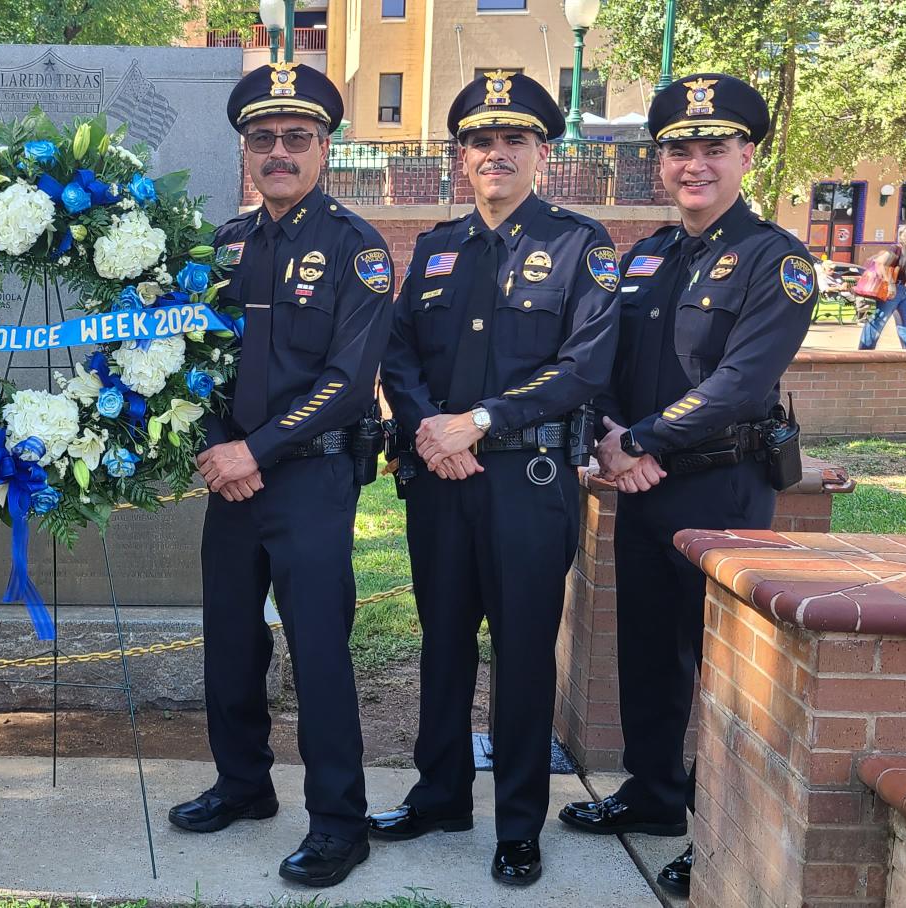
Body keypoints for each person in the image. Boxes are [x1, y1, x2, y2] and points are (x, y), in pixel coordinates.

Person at [555, 73, 817, 899]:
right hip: (642, 489)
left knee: (726, 675)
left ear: (747, 154)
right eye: (678, 150)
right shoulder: (648, 256)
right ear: (659, 163)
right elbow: (598, 362)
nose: (694, 164)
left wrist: (640, 438)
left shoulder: (777, 259)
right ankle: (656, 795)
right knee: (648, 655)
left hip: (724, 491)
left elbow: (743, 382)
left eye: (713, 148)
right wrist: (609, 438)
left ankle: (719, 837)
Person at [371, 72, 619, 887]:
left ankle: (519, 824)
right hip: (439, 478)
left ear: (541, 153)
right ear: (460, 157)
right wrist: (426, 430)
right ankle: (440, 793)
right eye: (481, 141)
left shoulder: (583, 247)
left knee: (520, 656)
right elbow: (398, 351)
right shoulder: (439, 246)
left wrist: (477, 422)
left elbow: (584, 366)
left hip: (528, 481)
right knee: (441, 644)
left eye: (514, 140)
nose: (496, 154)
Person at [172, 61, 393, 889]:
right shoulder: (221, 246)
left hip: (308, 481)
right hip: (229, 480)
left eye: (296, 138)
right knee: (229, 641)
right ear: (245, 151)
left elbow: (347, 381)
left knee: (319, 655)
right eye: (262, 138)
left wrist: (252, 452)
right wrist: (212, 446)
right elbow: (182, 362)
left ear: (325, 147)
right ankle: (243, 785)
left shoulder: (356, 250)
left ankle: (339, 821)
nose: (278, 152)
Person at [858, 224, 906, 349]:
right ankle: (864, 351)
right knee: (879, 321)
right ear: (901, 235)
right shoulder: (896, 248)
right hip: (895, 290)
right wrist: (890, 283)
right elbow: (881, 263)